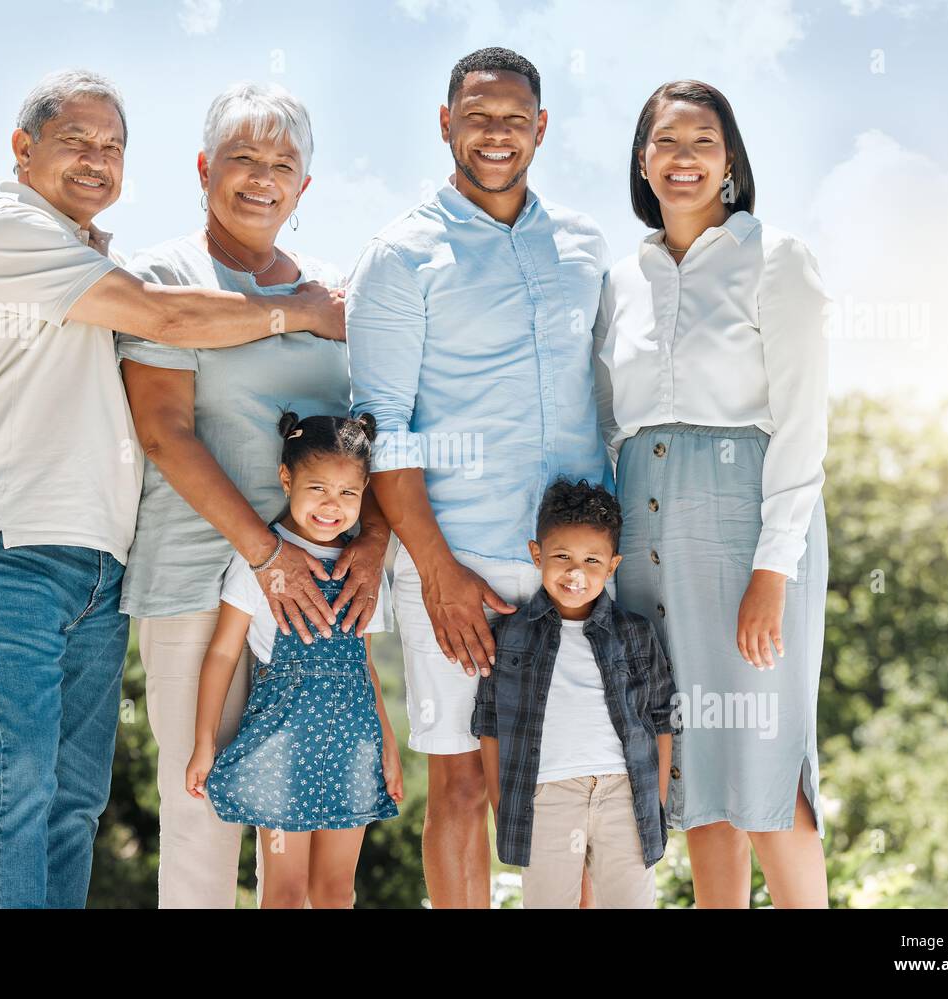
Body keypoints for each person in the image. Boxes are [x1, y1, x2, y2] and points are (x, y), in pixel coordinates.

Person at [0, 68, 343, 909]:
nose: (96, 159)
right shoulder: (12, 232)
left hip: (96, 565)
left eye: (111, 145)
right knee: (22, 791)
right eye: (75, 140)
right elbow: (168, 330)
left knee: (72, 801)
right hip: (10, 553)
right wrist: (294, 309)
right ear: (22, 149)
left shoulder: (91, 253)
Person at [113, 81, 392, 908]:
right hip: (201, 582)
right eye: (242, 158)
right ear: (204, 168)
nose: (262, 177)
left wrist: (372, 540)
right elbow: (165, 431)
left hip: (323, 599)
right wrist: (266, 553)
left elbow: (378, 439)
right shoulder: (165, 274)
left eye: (283, 163)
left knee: (297, 832)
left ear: (305, 187)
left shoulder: (340, 293)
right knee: (203, 820)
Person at [346, 47, 613, 908]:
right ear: (445, 123)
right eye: (476, 115)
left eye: (512, 118)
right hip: (456, 561)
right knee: (462, 788)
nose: (494, 134)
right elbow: (383, 431)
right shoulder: (399, 255)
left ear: (540, 128)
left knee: (573, 790)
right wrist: (437, 573)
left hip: (571, 567)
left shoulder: (583, 245)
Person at [593, 79, 831, 908]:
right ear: (642, 158)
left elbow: (803, 427)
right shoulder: (621, 279)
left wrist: (774, 567)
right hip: (644, 531)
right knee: (685, 751)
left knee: (761, 753)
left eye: (703, 140)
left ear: (729, 159)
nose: (684, 157)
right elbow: (607, 421)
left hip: (746, 533)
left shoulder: (777, 257)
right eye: (667, 141)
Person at [185, 412, 403, 908]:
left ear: (365, 491)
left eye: (349, 493)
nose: (333, 506)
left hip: (354, 745)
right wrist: (203, 742)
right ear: (287, 479)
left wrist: (387, 744)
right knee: (284, 892)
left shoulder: (366, 571)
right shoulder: (262, 561)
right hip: (280, 748)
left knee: (335, 892)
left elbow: (363, 665)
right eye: (318, 488)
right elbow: (222, 652)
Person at [473, 479, 677, 908]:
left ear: (613, 565)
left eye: (592, 560)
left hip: (624, 793)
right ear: (537, 554)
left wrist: (653, 803)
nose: (575, 572)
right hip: (546, 795)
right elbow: (489, 724)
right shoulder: (510, 635)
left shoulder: (635, 633)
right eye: (562, 556)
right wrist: (501, 803)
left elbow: (661, 719)